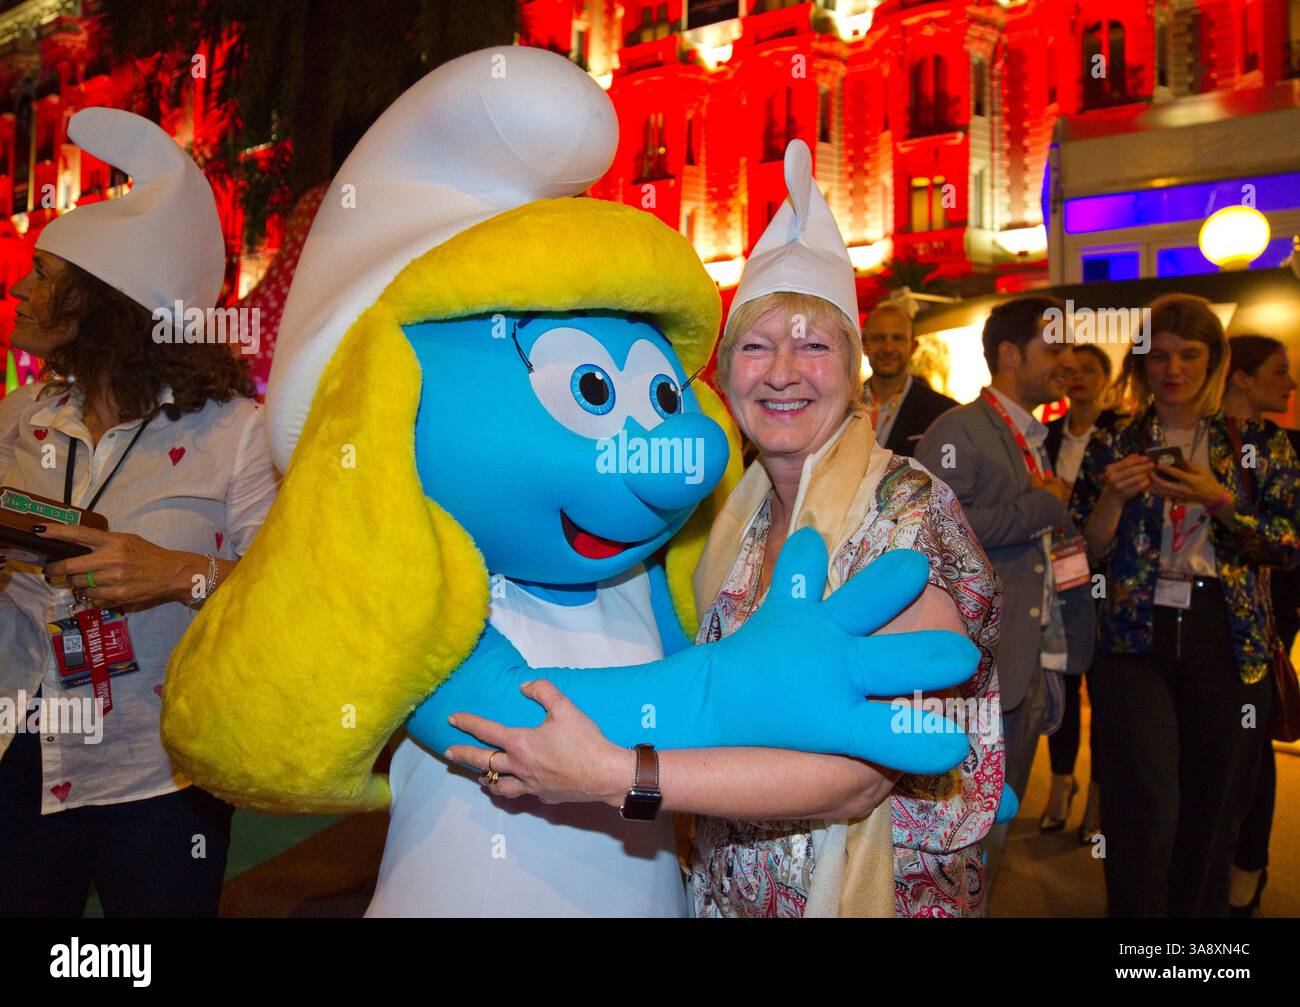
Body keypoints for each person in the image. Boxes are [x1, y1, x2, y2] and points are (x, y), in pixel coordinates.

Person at [442, 139, 1006, 917]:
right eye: (756, 344)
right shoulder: (730, 521)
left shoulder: (907, 509)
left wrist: (616, 775)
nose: (781, 371)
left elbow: (859, 772)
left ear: (853, 372)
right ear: (723, 373)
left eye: (813, 345)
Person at [0, 109, 278, 917]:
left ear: (105, 305)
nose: (18, 285)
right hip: (22, 754)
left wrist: (174, 574)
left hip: (160, 775)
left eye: (45, 275)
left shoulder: (236, 434)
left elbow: (283, 593)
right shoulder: (18, 418)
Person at [1071, 295, 1300, 917]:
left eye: (1189, 355)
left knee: (1215, 805)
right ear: (1141, 363)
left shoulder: (1255, 443)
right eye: (1159, 356)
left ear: (1216, 359)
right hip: (1131, 641)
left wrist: (1221, 500)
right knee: (1144, 805)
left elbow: (1289, 545)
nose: (1173, 370)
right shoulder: (1116, 442)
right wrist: (1111, 503)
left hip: (1224, 637)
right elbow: (1082, 552)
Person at [915, 297, 1095, 887]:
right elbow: (934, 527)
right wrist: (1041, 507)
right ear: (1012, 354)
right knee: (962, 839)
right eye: (1055, 349)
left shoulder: (1033, 435)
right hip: (978, 668)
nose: (1067, 361)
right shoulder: (959, 430)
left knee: (996, 833)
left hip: (1030, 658)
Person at [1222, 333, 1299, 916]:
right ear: (1240, 376)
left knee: (1253, 745)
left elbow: (1290, 540)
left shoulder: (1284, 445)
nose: (1291, 384)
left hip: (1269, 617)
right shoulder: (1192, 439)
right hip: (1204, 618)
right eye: (1279, 371)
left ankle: (1248, 868)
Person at [1039, 343, 1122, 839]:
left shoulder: (1122, 432)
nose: (1078, 378)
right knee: (1061, 681)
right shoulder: (1045, 433)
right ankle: (1059, 783)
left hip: (1106, 572)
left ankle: (1098, 796)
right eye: (1071, 370)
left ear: (1107, 378)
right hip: (1055, 571)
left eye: (1090, 370)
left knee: (1107, 690)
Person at [861, 301, 958, 456]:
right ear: (864, 345)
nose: (888, 348)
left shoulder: (944, 412)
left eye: (898, 338)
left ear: (913, 347)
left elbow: (948, 471)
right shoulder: (842, 407)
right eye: (878, 338)